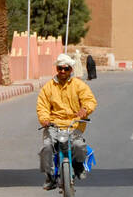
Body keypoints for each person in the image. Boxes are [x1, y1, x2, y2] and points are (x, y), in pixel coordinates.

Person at [37, 53, 98, 189]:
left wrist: (85, 110)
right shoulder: (48, 87)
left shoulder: (78, 85)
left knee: (78, 145)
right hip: (53, 124)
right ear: (57, 69)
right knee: (46, 147)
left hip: (74, 124)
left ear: (71, 69)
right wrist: (44, 119)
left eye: (66, 69)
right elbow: (42, 106)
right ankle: (49, 176)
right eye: (60, 68)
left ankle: (78, 166)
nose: (62, 71)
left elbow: (90, 100)